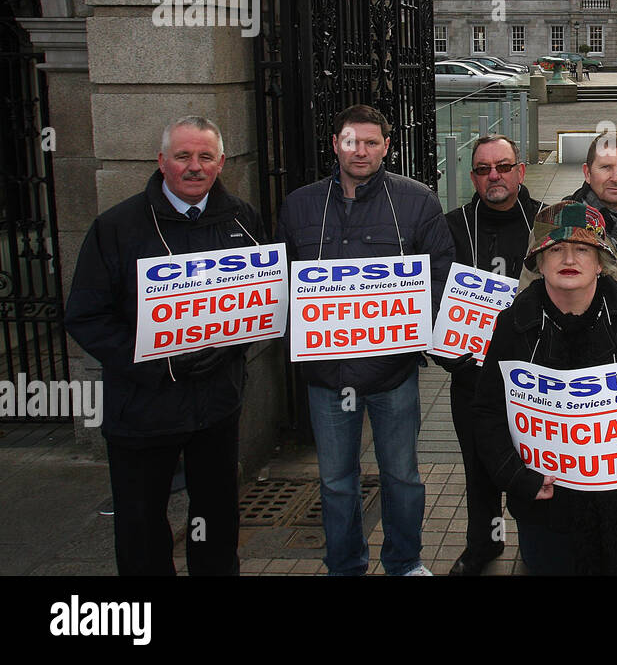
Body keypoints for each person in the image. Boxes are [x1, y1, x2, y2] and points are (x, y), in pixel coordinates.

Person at [65, 116, 265, 575]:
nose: (194, 167)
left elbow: (261, 303)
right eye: (183, 156)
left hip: (215, 406)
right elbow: (86, 316)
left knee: (216, 517)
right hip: (142, 409)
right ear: (161, 161)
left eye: (205, 157)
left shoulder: (243, 220)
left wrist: (231, 347)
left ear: (221, 163)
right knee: (140, 525)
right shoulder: (116, 227)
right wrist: (158, 364)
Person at [277, 104, 454, 576]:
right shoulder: (298, 205)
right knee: (336, 481)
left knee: (402, 476)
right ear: (335, 144)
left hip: (393, 372)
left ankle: (405, 562)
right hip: (326, 374)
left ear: (387, 147)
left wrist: (413, 331)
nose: (361, 150)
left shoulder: (417, 201)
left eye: (372, 142)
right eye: (352, 141)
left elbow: (440, 278)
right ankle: (345, 566)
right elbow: (279, 288)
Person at [472, 201, 617, 574]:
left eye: (583, 249)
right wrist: (520, 479)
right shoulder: (515, 326)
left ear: (601, 262)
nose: (569, 258)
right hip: (545, 505)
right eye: (555, 249)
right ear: (539, 262)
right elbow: (487, 412)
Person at [440, 135, 541, 576]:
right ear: (473, 176)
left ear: (521, 170)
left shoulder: (544, 221)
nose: (493, 176)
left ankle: (540, 544)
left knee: (539, 464)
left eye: (503, 166)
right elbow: (428, 296)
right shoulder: (451, 225)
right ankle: (484, 543)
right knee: (480, 467)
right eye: (483, 170)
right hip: (472, 374)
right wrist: (446, 354)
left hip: (534, 376)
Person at [520, 133, 617, 318]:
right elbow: (525, 303)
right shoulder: (550, 226)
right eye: (606, 168)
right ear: (587, 173)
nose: (616, 177)